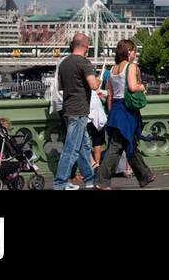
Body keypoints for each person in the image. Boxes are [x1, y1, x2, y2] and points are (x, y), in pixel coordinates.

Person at [96, 39, 156, 189]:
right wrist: (142, 87)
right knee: (117, 146)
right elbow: (132, 86)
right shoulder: (130, 67)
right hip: (126, 110)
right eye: (134, 51)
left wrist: (110, 112)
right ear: (129, 52)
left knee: (129, 142)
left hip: (116, 108)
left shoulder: (113, 69)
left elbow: (110, 94)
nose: (135, 54)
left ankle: (145, 175)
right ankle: (101, 181)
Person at [52, 32, 101, 190]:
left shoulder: (64, 62)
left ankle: (89, 179)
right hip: (79, 110)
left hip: (67, 108)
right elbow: (93, 85)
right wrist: (98, 79)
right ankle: (60, 182)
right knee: (71, 148)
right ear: (86, 46)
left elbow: (60, 86)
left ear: (73, 44)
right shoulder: (84, 63)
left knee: (84, 146)